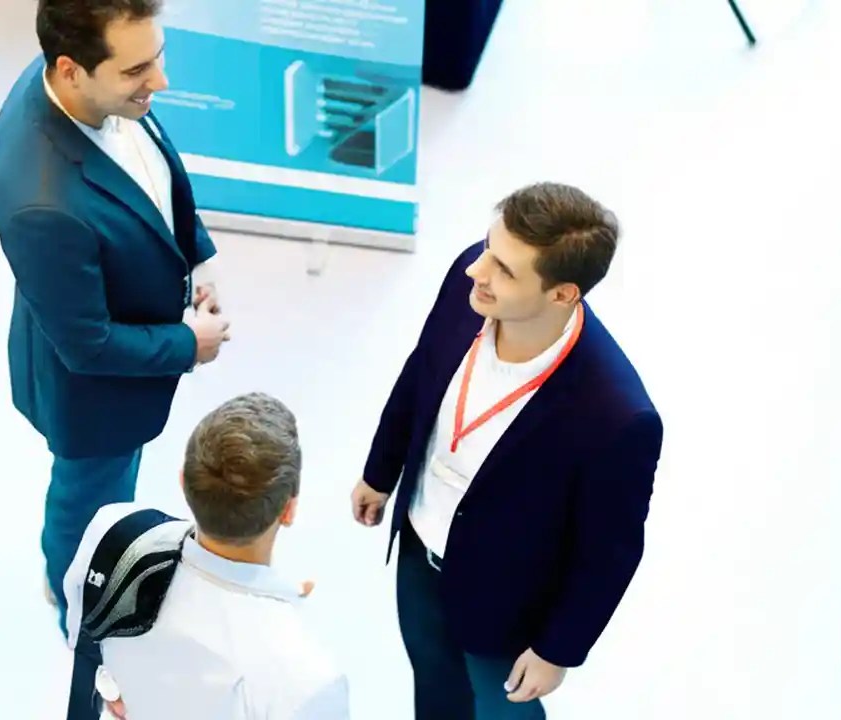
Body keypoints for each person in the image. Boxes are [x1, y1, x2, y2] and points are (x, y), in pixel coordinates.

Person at [350, 183, 664, 719]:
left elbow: (609, 552)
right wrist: (380, 472)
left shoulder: (616, 415)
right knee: (434, 685)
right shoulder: (468, 283)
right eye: (487, 248)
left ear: (563, 293)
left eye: (505, 268)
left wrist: (557, 651)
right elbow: (420, 372)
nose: (479, 269)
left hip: (507, 603)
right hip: (420, 554)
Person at [0, 0, 230, 635]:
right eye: (137, 70)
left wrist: (196, 254)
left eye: (159, 56)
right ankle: (76, 602)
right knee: (88, 500)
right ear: (71, 71)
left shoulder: (102, 92)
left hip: (124, 332)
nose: (161, 82)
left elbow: (155, 172)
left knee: (110, 489)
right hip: (94, 396)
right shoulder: (42, 203)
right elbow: (87, 346)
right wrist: (188, 343)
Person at [63, 393, 350, 719]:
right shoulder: (305, 680)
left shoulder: (115, 533)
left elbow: (85, 644)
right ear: (288, 510)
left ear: (183, 480)